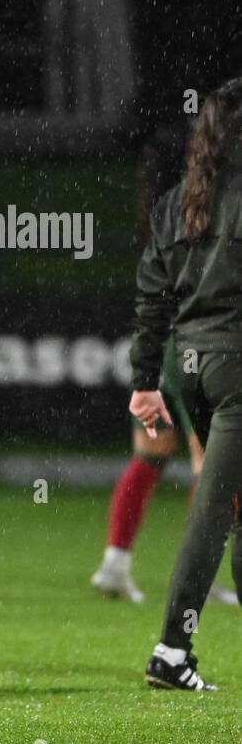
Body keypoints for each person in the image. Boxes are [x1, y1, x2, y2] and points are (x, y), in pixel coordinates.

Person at [92, 120, 241, 606]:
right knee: (211, 465)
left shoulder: (162, 213)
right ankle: (203, 570)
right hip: (198, 345)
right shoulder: (209, 211)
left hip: (160, 344)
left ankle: (115, 562)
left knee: (150, 452)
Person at [131, 76, 242, 690]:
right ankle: (172, 651)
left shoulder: (179, 201)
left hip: (190, 367)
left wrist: (145, 379)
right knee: (214, 509)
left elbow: (152, 294)